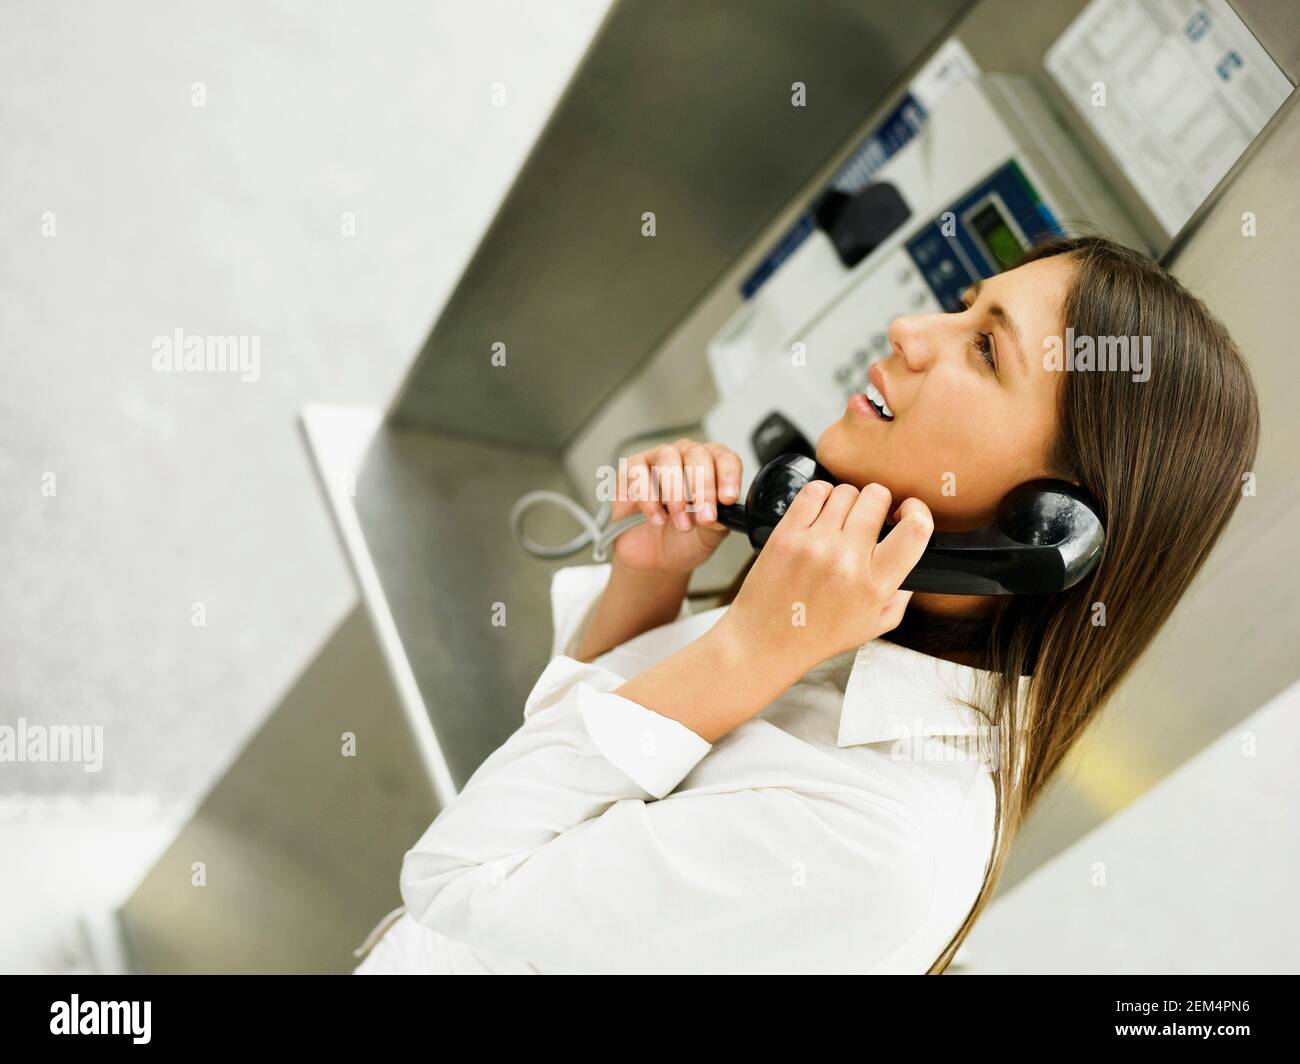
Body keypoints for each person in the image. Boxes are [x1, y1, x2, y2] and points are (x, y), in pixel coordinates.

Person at [354, 235, 1259, 974]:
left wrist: (748, 650)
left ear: (1046, 529)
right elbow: (568, 779)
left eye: (986, 348)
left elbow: (461, 871)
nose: (911, 329)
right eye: (962, 306)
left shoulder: (884, 840)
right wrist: (649, 586)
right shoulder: (845, 614)